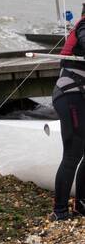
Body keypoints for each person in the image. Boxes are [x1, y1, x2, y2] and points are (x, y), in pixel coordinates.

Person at [53, 13, 85, 220]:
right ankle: (60, 211)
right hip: (70, 95)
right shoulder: (84, 25)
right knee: (73, 153)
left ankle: (81, 204)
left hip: (81, 96)